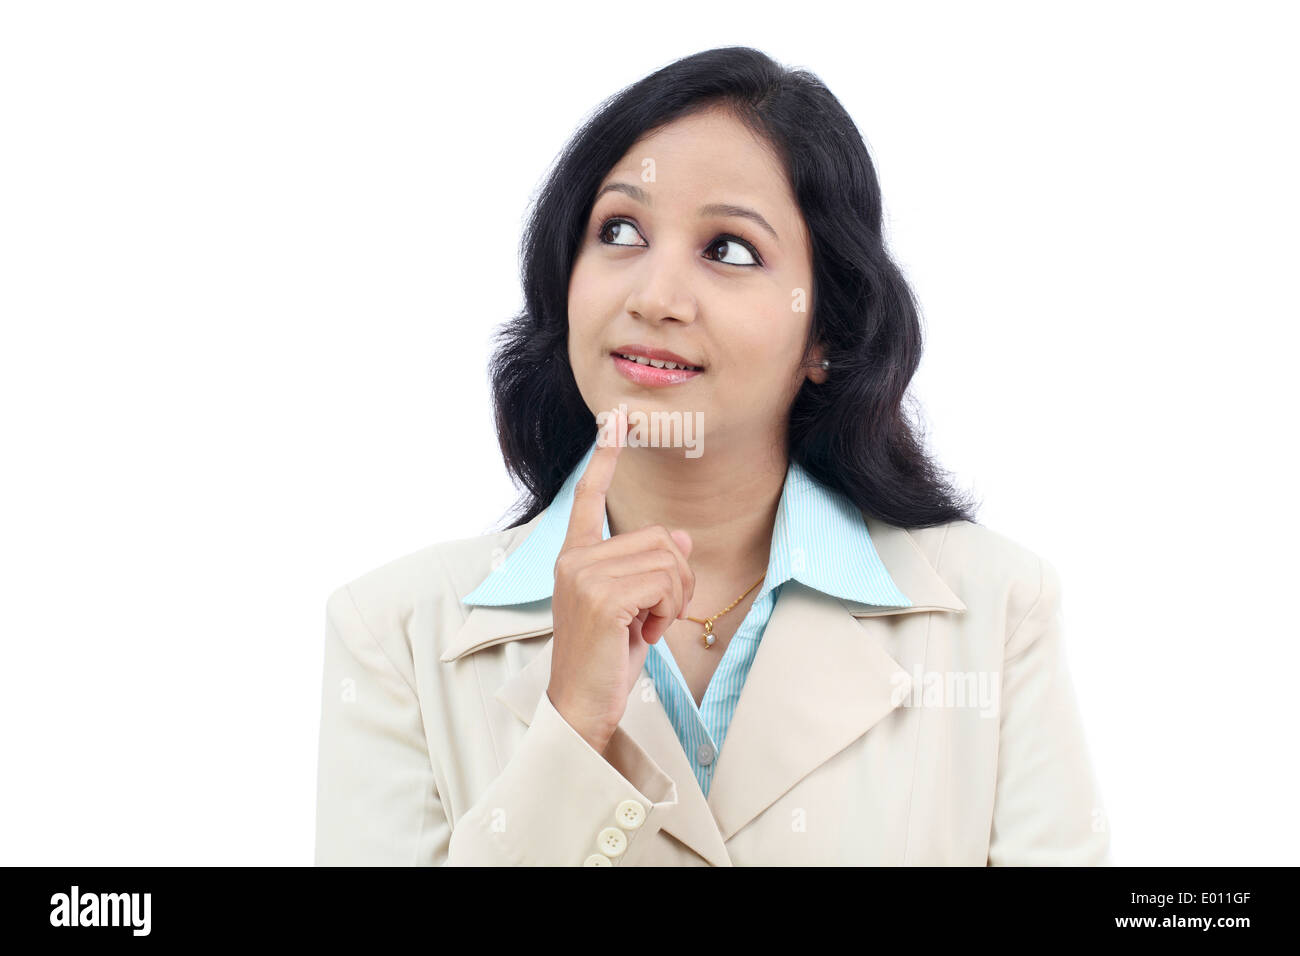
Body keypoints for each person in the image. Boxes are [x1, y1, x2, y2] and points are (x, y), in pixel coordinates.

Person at [313, 46, 1110, 866]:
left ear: (825, 334)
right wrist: (571, 732)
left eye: (728, 249)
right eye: (618, 230)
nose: (653, 298)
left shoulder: (994, 612)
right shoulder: (393, 634)